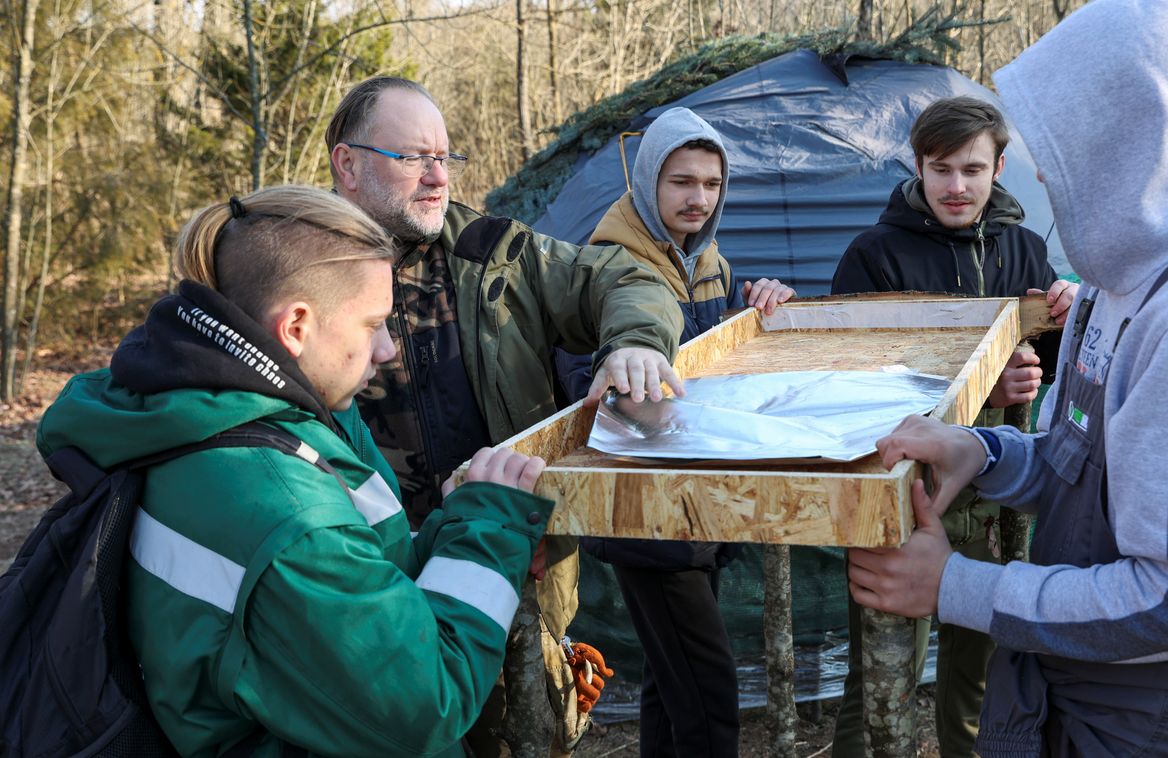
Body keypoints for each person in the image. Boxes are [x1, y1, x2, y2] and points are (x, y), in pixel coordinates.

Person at [848, 1, 1168, 755]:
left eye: (1059, 146)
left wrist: (956, 587)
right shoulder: (1118, 285)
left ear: (1122, 140)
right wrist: (980, 453)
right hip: (1087, 692)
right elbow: (1075, 466)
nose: (1045, 171)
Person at [35, 186, 552, 757]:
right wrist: (490, 529)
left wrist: (454, 531)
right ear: (297, 326)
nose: (387, 350)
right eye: (373, 323)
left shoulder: (196, 406)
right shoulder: (288, 513)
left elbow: (364, 578)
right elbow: (427, 704)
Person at [325, 77, 685, 752]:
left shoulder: (494, 252)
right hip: (366, 582)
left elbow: (625, 278)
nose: (437, 177)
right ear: (347, 165)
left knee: (527, 737)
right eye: (412, 158)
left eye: (445, 157)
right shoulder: (302, 266)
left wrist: (635, 341)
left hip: (511, 566)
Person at [829, 95, 1076, 757]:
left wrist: (1065, 322)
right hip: (900, 499)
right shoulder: (873, 255)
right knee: (882, 683)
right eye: (940, 169)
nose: (956, 186)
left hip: (998, 508)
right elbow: (850, 390)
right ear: (917, 167)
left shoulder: (1024, 248)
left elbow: (1052, 366)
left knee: (979, 682)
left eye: (972, 168)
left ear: (998, 167)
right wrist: (976, 389)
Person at [556, 107, 794, 757]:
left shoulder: (707, 259)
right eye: (680, 182)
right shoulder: (608, 261)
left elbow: (701, 366)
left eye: (710, 184)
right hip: (645, 515)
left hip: (696, 500)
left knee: (671, 681)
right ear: (647, 184)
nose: (697, 198)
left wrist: (752, 313)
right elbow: (592, 388)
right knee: (709, 699)